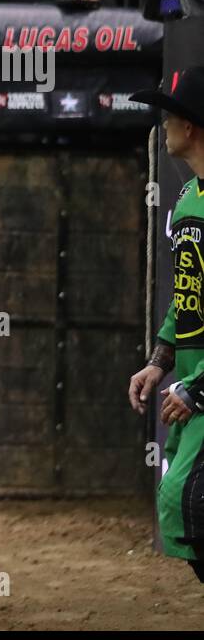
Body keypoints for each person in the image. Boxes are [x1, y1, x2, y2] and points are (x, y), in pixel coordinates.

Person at [127, 66, 204, 584]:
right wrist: (160, 361)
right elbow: (186, 296)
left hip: (200, 395)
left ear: (191, 125)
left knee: (193, 506)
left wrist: (199, 390)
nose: (163, 124)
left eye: (169, 113)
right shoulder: (187, 200)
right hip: (191, 394)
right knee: (185, 511)